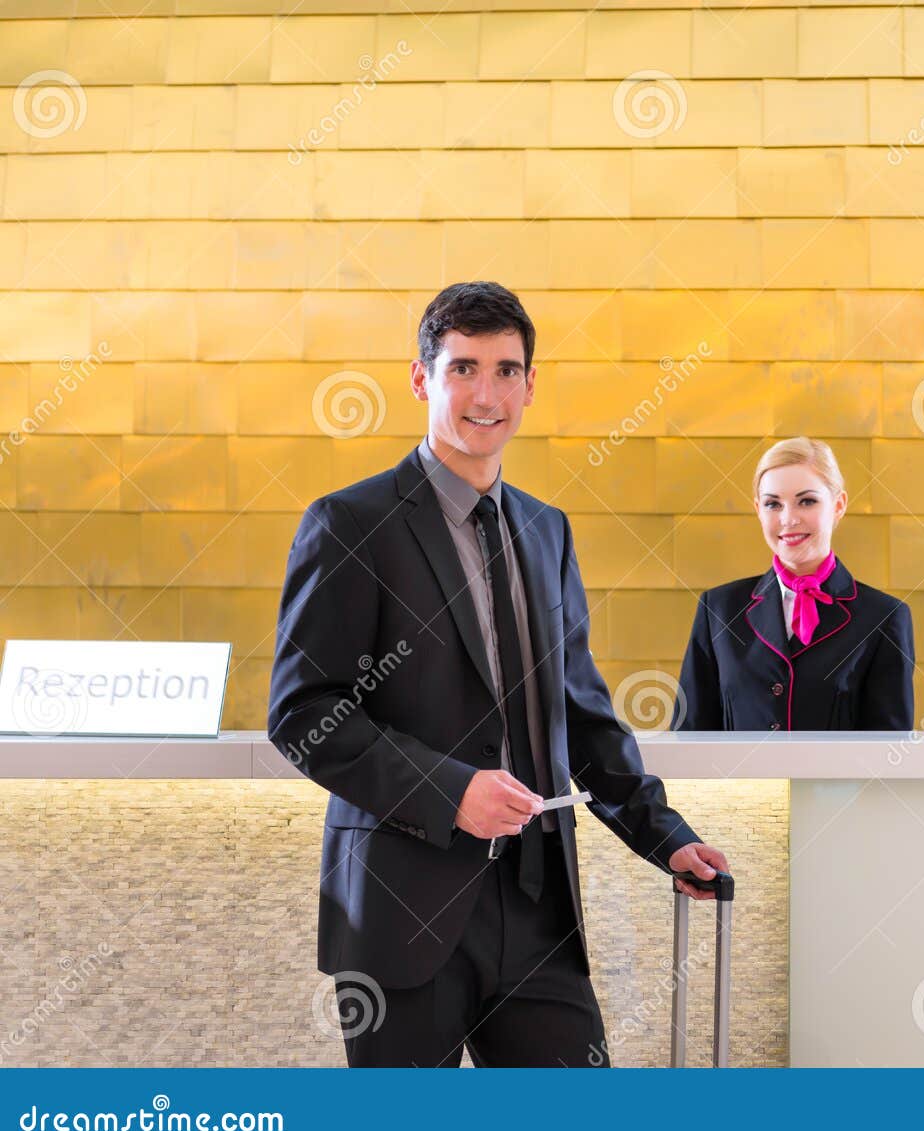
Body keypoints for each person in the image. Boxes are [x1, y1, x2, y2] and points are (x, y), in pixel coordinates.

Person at [267, 281, 728, 1068]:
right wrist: (451, 793)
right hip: (402, 913)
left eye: (507, 371)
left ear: (531, 385)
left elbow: (581, 715)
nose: (487, 393)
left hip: (539, 910)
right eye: (464, 369)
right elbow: (306, 713)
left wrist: (666, 837)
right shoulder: (350, 524)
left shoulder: (546, 530)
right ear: (422, 379)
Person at [675, 436, 915, 731]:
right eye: (773, 504)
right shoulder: (719, 609)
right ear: (758, 510)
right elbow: (689, 738)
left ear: (838, 505)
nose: (788, 519)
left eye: (806, 501)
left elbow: (888, 754)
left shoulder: (884, 616)